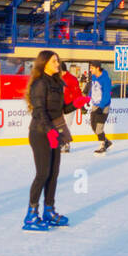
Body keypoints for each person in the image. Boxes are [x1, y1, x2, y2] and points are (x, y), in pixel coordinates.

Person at [24, 50, 75, 230]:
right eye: (54, 60)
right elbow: (39, 111)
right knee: (43, 173)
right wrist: (49, 131)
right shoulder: (39, 83)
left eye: (58, 60)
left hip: (54, 132)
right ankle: (31, 214)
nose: (57, 63)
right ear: (44, 63)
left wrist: (76, 104)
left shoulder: (57, 82)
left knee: (53, 173)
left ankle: (49, 210)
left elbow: (60, 110)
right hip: (40, 133)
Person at [60, 64, 91, 152]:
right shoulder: (57, 79)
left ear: (62, 70)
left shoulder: (71, 79)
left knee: (66, 125)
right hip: (59, 106)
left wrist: (81, 105)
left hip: (69, 106)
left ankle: (66, 144)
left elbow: (77, 93)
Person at [88, 62, 113, 154]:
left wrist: (101, 107)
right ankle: (107, 142)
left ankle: (103, 146)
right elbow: (92, 89)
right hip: (95, 104)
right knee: (93, 126)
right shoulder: (94, 77)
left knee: (99, 128)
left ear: (97, 68)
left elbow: (107, 95)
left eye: (92, 68)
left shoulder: (106, 79)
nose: (90, 70)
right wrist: (87, 99)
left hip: (104, 106)